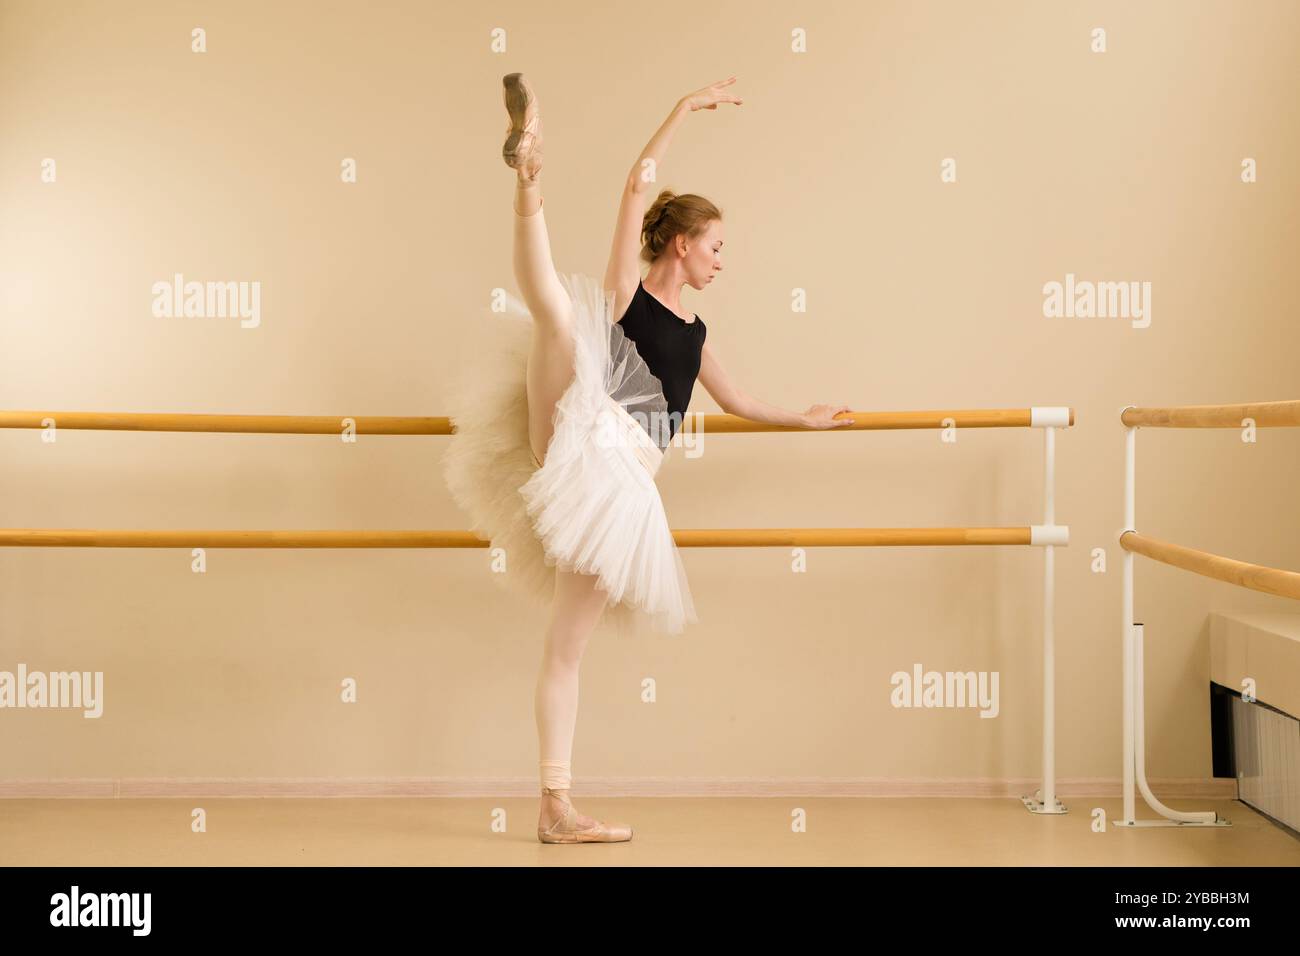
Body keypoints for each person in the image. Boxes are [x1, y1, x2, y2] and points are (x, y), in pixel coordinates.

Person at [442, 73, 854, 844]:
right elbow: (637, 183)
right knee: (563, 318)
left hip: (611, 479)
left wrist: (805, 419)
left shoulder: (696, 336)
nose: (721, 262)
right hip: (576, 425)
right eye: (717, 247)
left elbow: (737, 402)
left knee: (566, 647)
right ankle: (528, 180)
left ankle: (554, 805)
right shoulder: (629, 294)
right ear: (682, 242)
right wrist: (683, 110)